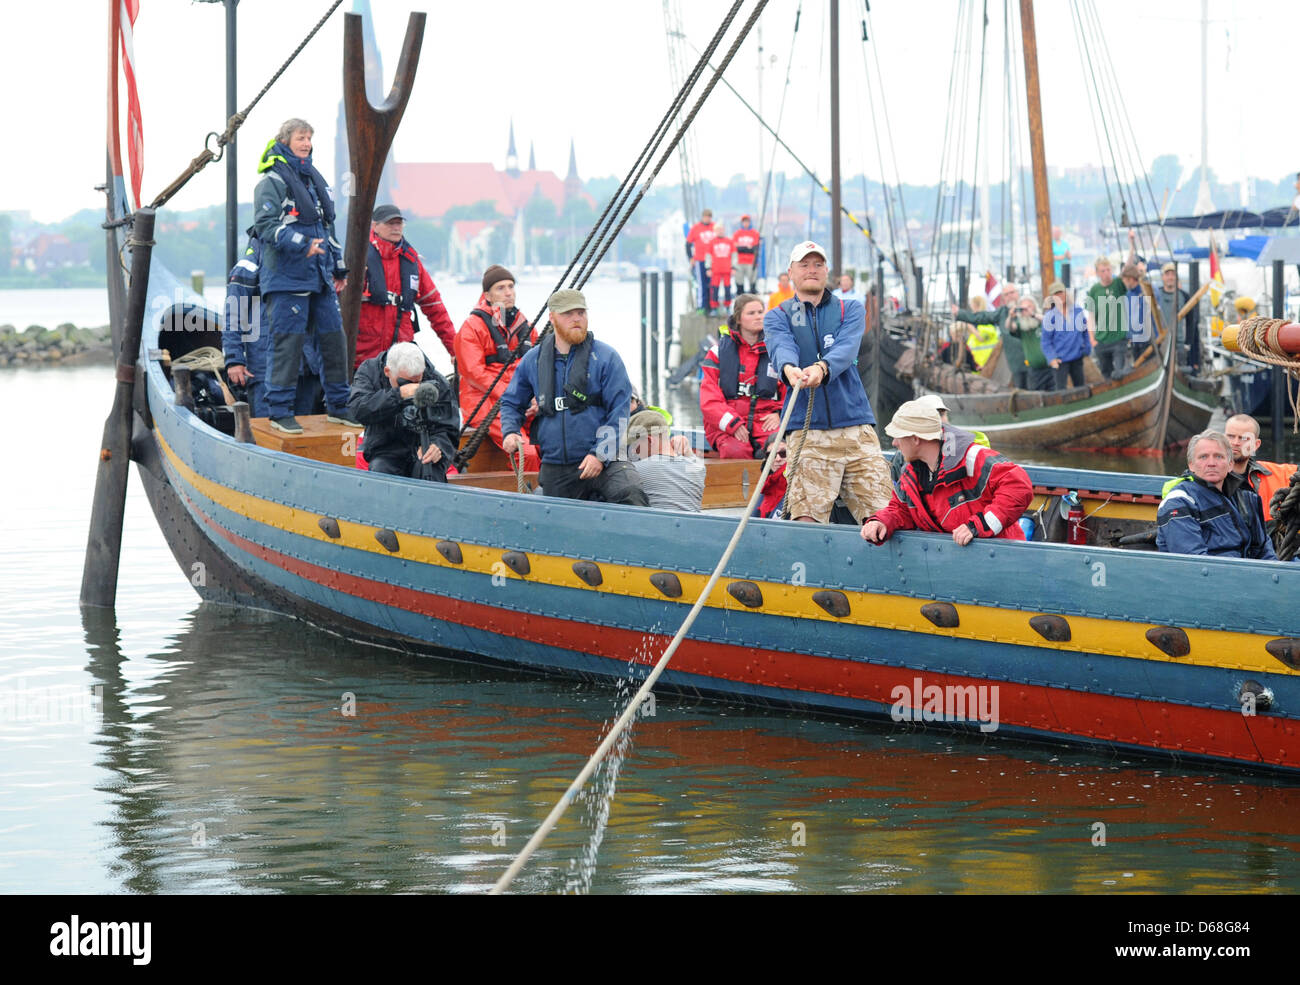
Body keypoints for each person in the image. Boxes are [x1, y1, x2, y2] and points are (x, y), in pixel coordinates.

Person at [763, 240, 893, 524]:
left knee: (884, 516)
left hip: (856, 426)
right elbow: (781, 346)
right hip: (807, 430)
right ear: (791, 272)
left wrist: (822, 368)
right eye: (805, 264)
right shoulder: (777, 316)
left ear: (827, 271)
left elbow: (846, 349)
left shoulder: (851, 310)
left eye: (818, 264)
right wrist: (789, 369)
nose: (812, 270)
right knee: (805, 518)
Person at [252, 118, 360, 434]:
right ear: (286, 140)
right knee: (287, 344)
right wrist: (302, 245)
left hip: (319, 277)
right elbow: (266, 227)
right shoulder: (271, 182)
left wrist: (338, 266)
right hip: (286, 279)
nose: (307, 143)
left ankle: (339, 406)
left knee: (333, 339)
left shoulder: (311, 181)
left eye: (310, 138)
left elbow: (325, 227)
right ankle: (280, 411)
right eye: (301, 137)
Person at [500, 289, 648, 506]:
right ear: (552, 317)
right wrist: (510, 431)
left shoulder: (607, 358)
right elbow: (511, 402)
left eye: (581, 312)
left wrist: (600, 454)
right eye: (568, 314)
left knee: (631, 492)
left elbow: (620, 412)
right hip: (557, 465)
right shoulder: (533, 360)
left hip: (606, 461)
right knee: (549, 515)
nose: (577, 318)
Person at [862, 400, 1033, 546]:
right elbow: (901, 510)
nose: (894, 443)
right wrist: (881, 521)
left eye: (898, 436)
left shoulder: (972, 457)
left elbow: (1019, 486)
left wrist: (979, 525)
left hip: (1001, 560)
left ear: (915, 439)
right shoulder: (910, 473)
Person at [221, 229, 326, 418]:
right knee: (268, 433)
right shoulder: (247, 268)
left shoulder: (307, 263)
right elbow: (233, 316)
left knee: (305, 434)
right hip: (265, 368)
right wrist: (234, 360)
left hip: (306, 368)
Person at [455, 264, 540, 471]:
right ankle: (524, 498)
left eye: (511, 286)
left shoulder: (526, 327)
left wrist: (538, 397)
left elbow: (540, 368)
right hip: (484, 404)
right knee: (525, 452)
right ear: (487, 295)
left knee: (553, 443)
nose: (509, 292)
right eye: (500, 288)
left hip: (520, 402)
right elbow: (475, 374)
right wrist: (515, 396)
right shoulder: (472, 327)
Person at [354, 204, 456, 369]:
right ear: (374, 226)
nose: (395, 228)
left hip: (401, 355)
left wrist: (455, 350)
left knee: (437, 386)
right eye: (390, 223)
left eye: (399, 223)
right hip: (363, 357)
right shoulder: (357, 257)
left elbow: (436, 308)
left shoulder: (412, 261)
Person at [346, 342, 459, 480]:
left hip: (424, 447)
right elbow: (358, 409)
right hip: (386, 449)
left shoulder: (436, 380)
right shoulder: (370, 372)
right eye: (406, 382)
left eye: (418, 381)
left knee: (430, 471)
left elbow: (449, 427)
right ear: (387, 372)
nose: (414, 386)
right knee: (381, 472)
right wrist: (398, 394)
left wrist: (438, 446)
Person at [1156, 431, 1277, 559]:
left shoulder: (1245, 497)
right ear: (1191, 465)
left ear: (1230, 464)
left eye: (1218, 456)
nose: (1211, 463)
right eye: (1203, 457)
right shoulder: (1179, 502)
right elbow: (1192, 562)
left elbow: (1264, 551)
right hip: (1211, 575)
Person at [699, 293, 786, 458]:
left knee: (780, 452)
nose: (758, 317)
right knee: (735, 451)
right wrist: (733, 423)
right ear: (738, 319)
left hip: (765, 423)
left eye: (761, 312)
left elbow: (790, 391)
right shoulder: (717, 354)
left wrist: (780, 414)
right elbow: (709, 400)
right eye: (751, 313)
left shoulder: (777, 353)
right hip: (727, 424)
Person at [1223, 414, 1297, 523]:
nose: (1235, 443)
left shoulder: (1278, 474)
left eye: (1243, 438)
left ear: (1256, 445)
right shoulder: (1206, 478)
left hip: (1270, 537)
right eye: (1230, 436)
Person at [627, 409, 705, 512]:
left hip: (658, 526)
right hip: (692, 527)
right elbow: (693, 460)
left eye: (635, 446)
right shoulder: (698, 469)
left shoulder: (635, 470)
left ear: (649, 441)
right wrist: (687, 450)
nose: (633, 451)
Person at [1040, 281, 1091, 389]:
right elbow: (1046, 342)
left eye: (1061, 293)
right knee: (1061, 391)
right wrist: (1052, 358)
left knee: (1081, 388)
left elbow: (1085, 331)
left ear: (1066, 293)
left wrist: (1087, 348)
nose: (1059, 296)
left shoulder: (1077, 311)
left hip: (1077, 357)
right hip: (1060, 360)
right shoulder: (1049, 317)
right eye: (1056, 294)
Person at [1086, 255, 1129, 379]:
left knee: (1119, 372)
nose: (1106, 273)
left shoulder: (1118, 284)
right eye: (1103, 271)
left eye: (1108, 270)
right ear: (1098, 273)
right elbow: (1091, 317)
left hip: (1118, 338)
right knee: (1106, 375)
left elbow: (1126, 268)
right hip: (1102, 340)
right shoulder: (1094, 290)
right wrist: (1092, 339)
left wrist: (1131, 245)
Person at [1155, 262, 1201, 373]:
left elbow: (1191, 322)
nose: (1170, 277)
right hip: (1160, 344)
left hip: (1178, 345)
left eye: (1173, 274)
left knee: (1179, 372)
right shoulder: (1156, 295)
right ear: (1162, 277)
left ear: (1176, 278)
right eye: (1167, 274)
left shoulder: (1184, 296)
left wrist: (1187, 344)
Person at [1011, 295, 1053, 390]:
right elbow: (1010, 327)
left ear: (1035, 306)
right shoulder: (1020, 325)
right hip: (1035, 371)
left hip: (1051, 367)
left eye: (1029, 306)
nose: (1026, 310)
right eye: (1023, 308)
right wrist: (1011, 316)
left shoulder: (1042, 320)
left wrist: (1032, 315)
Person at [1119, 263, 1152, 362]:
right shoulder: (1128, 295)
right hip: (1135, 342)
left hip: (1147, 341)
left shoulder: (1145, 292)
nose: (1123, 282)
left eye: (1124, 279)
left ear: (1130, 279)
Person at [686, 209, 717, 312]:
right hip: (700, 260)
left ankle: (712, 305)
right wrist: (691, 258)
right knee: (701, 284)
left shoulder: (715, 227)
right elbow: (688, 244)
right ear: (702, 217)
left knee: (712, 283)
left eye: (709, 217)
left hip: (713, 261)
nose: (707, 218)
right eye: (705, 216)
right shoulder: (696, 228)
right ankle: (701, 306)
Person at [708, 225, 735, 311]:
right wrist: (708, 268)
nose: (720, 231)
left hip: (727, 269)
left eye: (722, 229)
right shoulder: (712, 242)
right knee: (714, 289)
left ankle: (727, 306)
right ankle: (714, 307)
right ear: (715, 231)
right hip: (715, 270)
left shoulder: (729, 241)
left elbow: (734, 255)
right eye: (718, 230)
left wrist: (734, 267)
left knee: (728, 288)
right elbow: (708, 256)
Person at [732, 215, 761, 294]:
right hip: (739, 261)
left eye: (747, 221)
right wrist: (747, 248)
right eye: (744, 221)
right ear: (742, 223)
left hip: (751, 261)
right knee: (739, 281)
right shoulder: (737, 234)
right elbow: (735, 248)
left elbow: (754, 248)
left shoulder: (755, 233)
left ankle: (752, 297)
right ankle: (740, 297)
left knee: (752, 281)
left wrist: (742, 248)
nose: (746, 223)